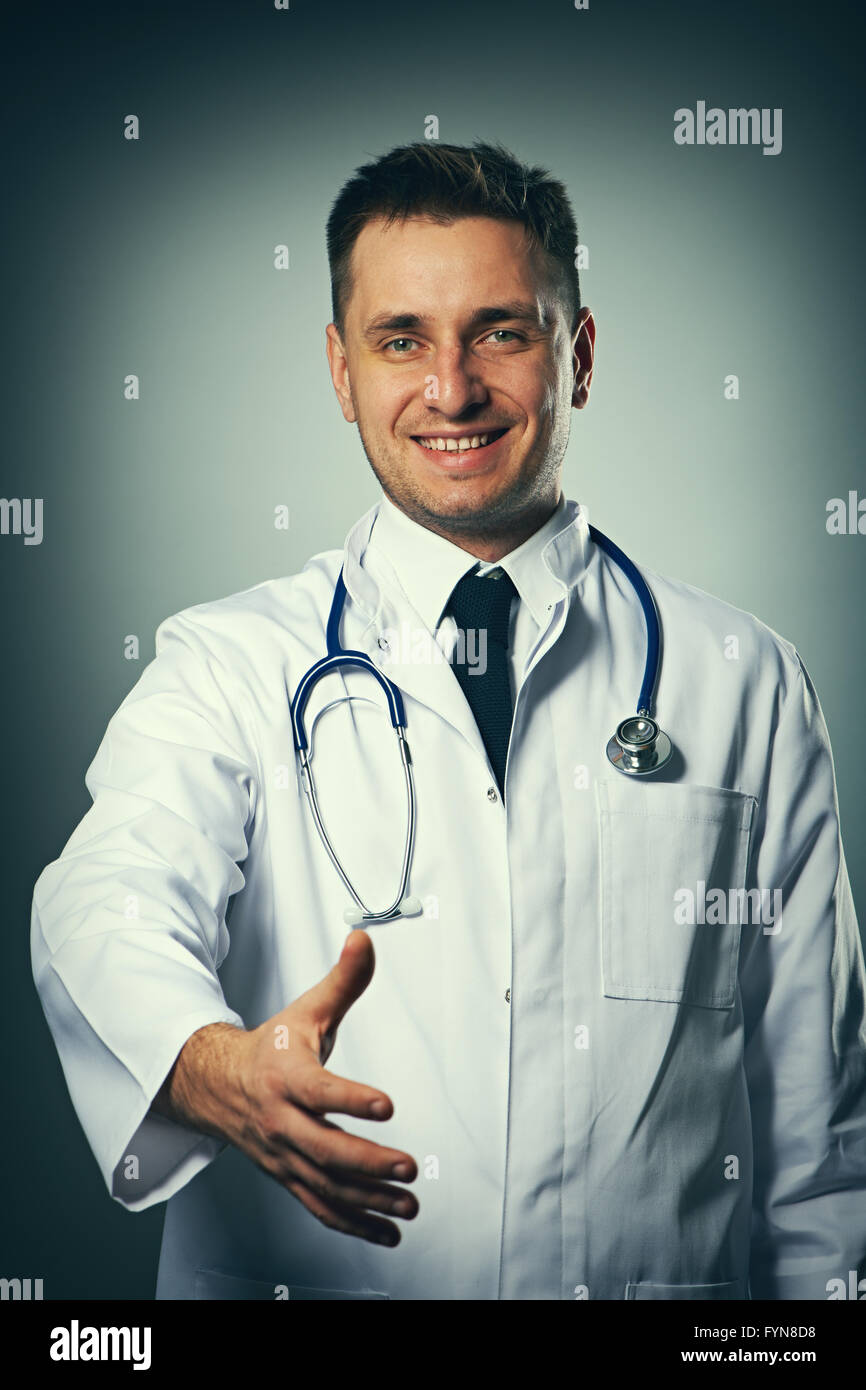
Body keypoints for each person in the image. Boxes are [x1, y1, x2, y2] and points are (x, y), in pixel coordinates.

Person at [31, 141, 866, 1301]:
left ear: (576, 355)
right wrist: (217, 1069)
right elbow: (103, 904)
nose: (452, 388)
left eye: (500, 331)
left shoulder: (746, 683)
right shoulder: (226, 665)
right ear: (339, 371)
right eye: (400, 340)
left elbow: (816, 1141)